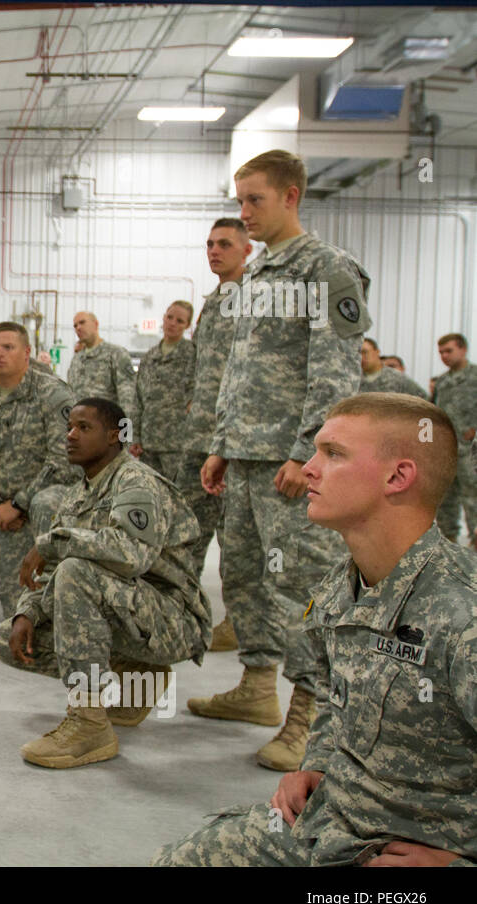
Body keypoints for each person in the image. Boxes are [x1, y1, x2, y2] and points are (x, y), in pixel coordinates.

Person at [155, 394, 477, 867]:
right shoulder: (340, 588)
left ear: (398, 477)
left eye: (334, 453)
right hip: (333, 827)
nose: (309, 468)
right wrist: (317, 764)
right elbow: (334, 697)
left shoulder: (461, 614)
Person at [192, 149, 370, 773]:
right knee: (243, 580)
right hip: (242, 458)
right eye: (240, 201)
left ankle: (309, 716)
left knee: (303, 588)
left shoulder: (327, 270)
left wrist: (309, 454)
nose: (245, 214)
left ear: (291, 196)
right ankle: (257, 689)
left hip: (289, 466)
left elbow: (335, 375)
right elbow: (236, 374)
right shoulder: (259, 276)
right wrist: (220, 445)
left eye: (255, 201)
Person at [0, 398, 210, 768]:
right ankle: (139, 673)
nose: (71, 435)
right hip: (130, 612)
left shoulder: (136, 482)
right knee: (5, 638)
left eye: (84, 428)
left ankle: (89, 724)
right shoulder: (80, 493)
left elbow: (130, 553)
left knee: (77, 572)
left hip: (173, 620)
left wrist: (52, 541)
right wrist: (28, 611)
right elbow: (55, 571)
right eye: (69, 427)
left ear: (114, 436)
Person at [0, 321, 78, 616]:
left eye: (8, 347)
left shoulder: (52, 395)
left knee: (46, 586)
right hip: (0, 510)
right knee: (0, 575)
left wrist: (18, 504)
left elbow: (64, 463)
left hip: (45, 506)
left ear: (26, 353)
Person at [185, 219, 251, 652]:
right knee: (188, 526)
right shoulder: (214, 300)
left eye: (224, 244)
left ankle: (239, 621)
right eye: (209, 243)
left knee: (235, 536)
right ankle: (185, 608)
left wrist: (228, 434)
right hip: (198, 434)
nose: (214, 251)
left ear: (247, 250)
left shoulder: (253, 300)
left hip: (232, 437)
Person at [130, 300, 196, 489]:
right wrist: (134, 437)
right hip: (149, 442)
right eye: (170, 317)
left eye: (180, 321)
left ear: (187, 326)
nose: (173, 323)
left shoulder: (192, 355)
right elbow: (138, 400)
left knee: (177, 495)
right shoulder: (150, 356)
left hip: (177, 443)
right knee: (150, 494)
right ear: (163, 318)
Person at [433, 333, 477, 547]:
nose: (444, 356)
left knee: (474, 500)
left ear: (463, 349)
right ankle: (448, 545)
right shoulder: (442, 382)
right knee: (445, 501)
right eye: (441, 352)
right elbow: (431, 414)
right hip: (446, 452)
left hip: (471, 453)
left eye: (448, 351)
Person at [66, 311, 136, 415]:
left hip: (105, 424)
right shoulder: (77, 359)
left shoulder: (116, 354)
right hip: (80, 425)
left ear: (96, 324)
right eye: (75, 326)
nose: (78, 328)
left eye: (82, 322)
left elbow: (128, 396)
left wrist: (124, 427)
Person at [359, 337, 427, 398]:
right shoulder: (354, 379)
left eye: (365, 352)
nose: (361, 357)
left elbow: (424, 399)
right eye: (358, 354)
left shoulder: (397, 378)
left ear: (377, 352)